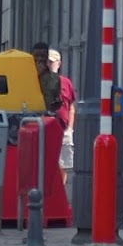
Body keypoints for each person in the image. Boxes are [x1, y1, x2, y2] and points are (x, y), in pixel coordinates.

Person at [48, 49, 76, 189]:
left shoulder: (66, 83)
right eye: (46, 62)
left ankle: (60, 191)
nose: (49, 65)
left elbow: (71, 107)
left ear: (59, 63)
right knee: (46, 162)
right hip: (46, 127)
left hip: (63, 129)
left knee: (62, 164)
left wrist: (70, 129)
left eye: (51, 62)